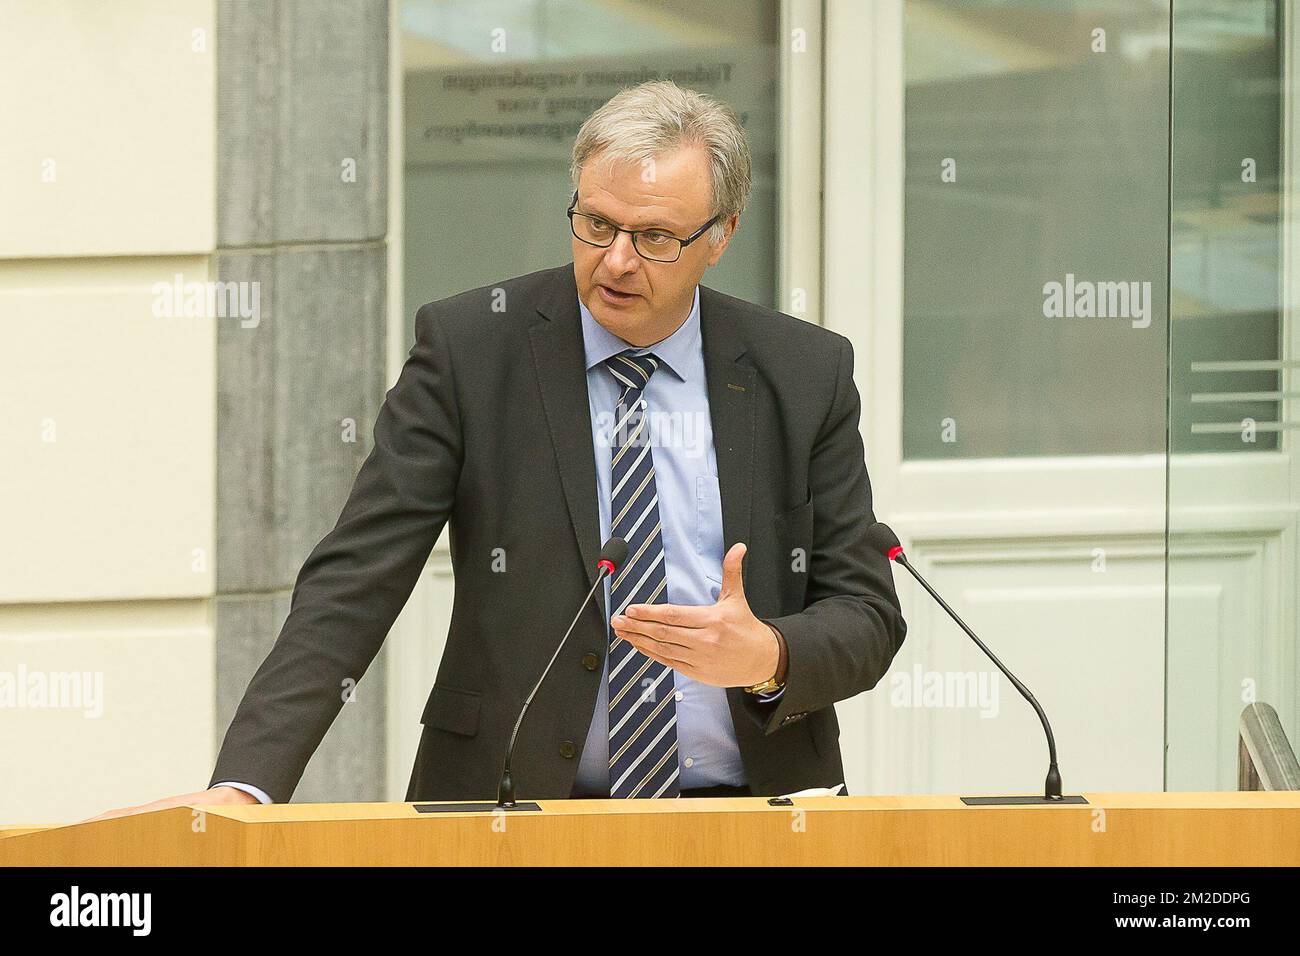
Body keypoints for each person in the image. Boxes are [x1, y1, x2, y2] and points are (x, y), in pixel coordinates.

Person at [92, 79, 906, 818]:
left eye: (654, 238)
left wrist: (767, 653)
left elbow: (869, 613)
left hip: (752, 814)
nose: (616, 261)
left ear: (720, 236)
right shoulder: (471, 349)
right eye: (596, 224)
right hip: (507, 813)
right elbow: (356, 579)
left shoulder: (803, 371)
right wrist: (249, 781)